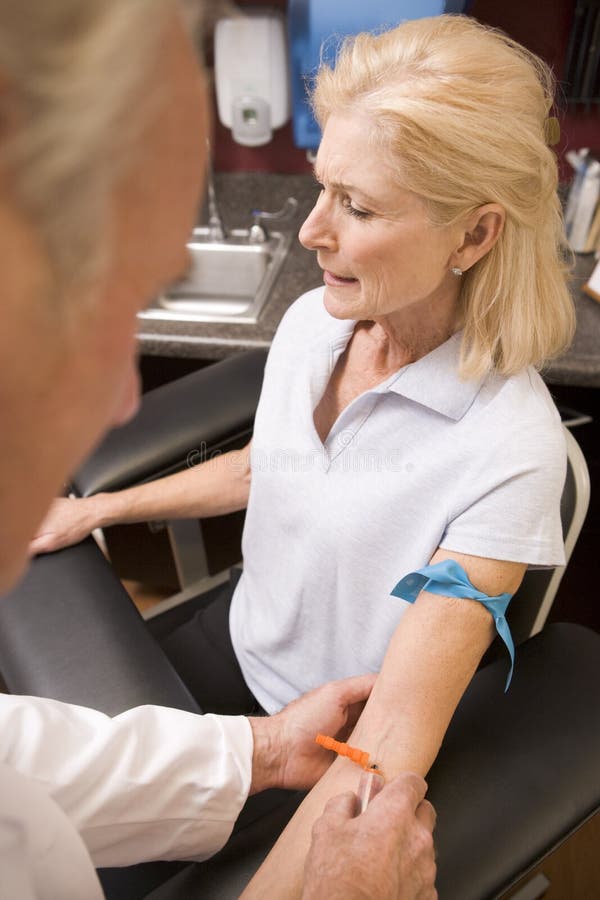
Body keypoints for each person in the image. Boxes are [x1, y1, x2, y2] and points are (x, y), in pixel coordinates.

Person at [0, 1, 437, 898]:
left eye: (355, 203)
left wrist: (272, 748)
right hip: (247, 648)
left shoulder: (502, 445)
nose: (127, 396)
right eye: (96, 304)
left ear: (473, 234)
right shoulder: (315, 324)